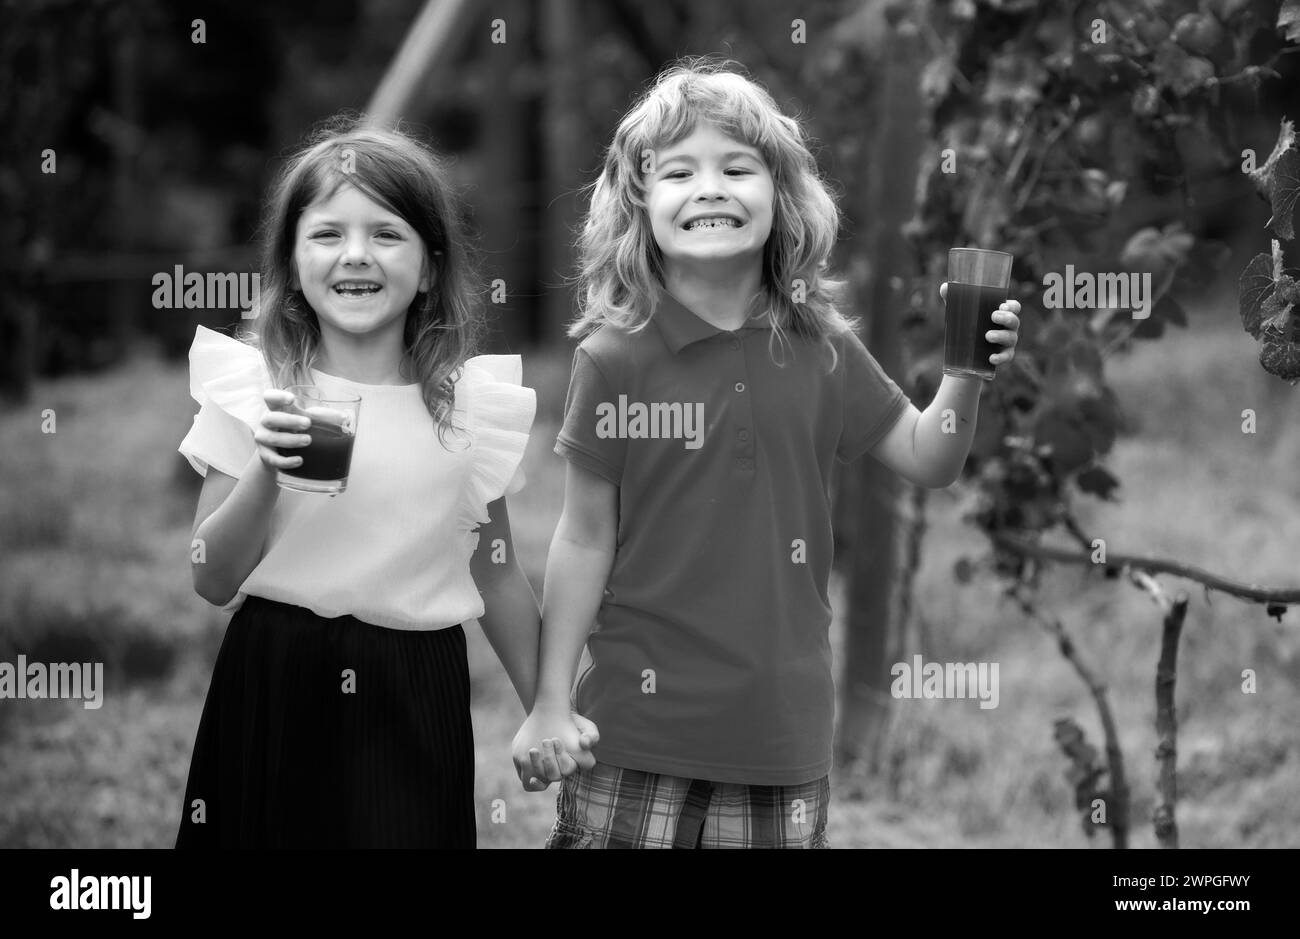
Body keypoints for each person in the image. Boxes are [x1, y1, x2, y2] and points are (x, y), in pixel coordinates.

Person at [511, 61, 1020, 848]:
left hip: (781, 744)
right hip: (634, 731)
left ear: (782, 199)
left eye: (737, 168)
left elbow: (930, 457)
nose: (710, 187)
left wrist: (966, 373)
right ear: (639, 206)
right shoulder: (614, 359)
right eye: (679, 171)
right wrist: (550, 699)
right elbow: (582, 536)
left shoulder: (821, 350)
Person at [175, 117, 595, 848]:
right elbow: (211, 578)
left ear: (431, 266)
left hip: (413, 683)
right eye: (328, 233)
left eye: (387, 233)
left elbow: (495, 575)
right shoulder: (254, 388)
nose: (356, 254)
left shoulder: (467, 408)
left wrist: (547, 706)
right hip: (273, 675)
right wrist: (267, 471)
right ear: (291, 259)